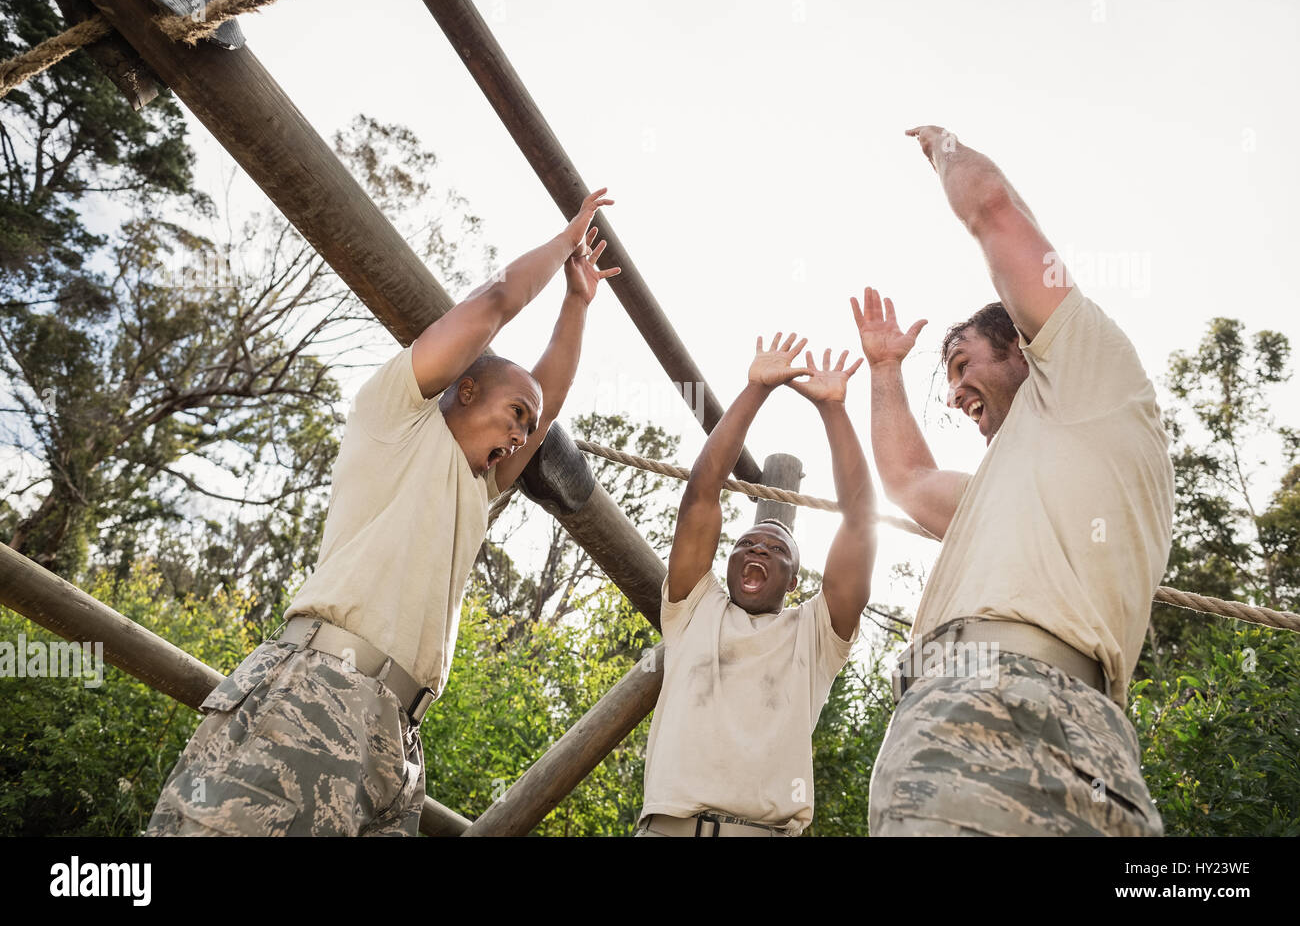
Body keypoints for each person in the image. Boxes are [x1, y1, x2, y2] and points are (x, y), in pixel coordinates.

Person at [147, 189, 620, 836]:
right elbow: (495, 302)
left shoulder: (476, 492)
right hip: (319, 690)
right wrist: (566, 243)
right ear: (467, 388)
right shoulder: (395, 417)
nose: (522, 437)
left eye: (527, 430)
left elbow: (550, 395)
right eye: (516, 415)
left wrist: (578, 304)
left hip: (398, 739)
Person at [859, 126, 1174, 836]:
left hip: (998, 702)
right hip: (1075, 728)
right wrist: (884, 371)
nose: (957, 390)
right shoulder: (1013, 486)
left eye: (966, 362)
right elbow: (908, 479)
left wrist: (944, 148)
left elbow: (996, 211)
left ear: (1027, 348)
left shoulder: (1090, 376)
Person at [635, 333, 876, 837]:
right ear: (727, 561)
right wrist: (755, 390)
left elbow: (859, 523)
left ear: (793, 582)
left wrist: (833, 410)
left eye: (777, 549)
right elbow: (702, 491)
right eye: (746, 543)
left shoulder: (814, 635)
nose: (759, 549)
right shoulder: (694, 609)